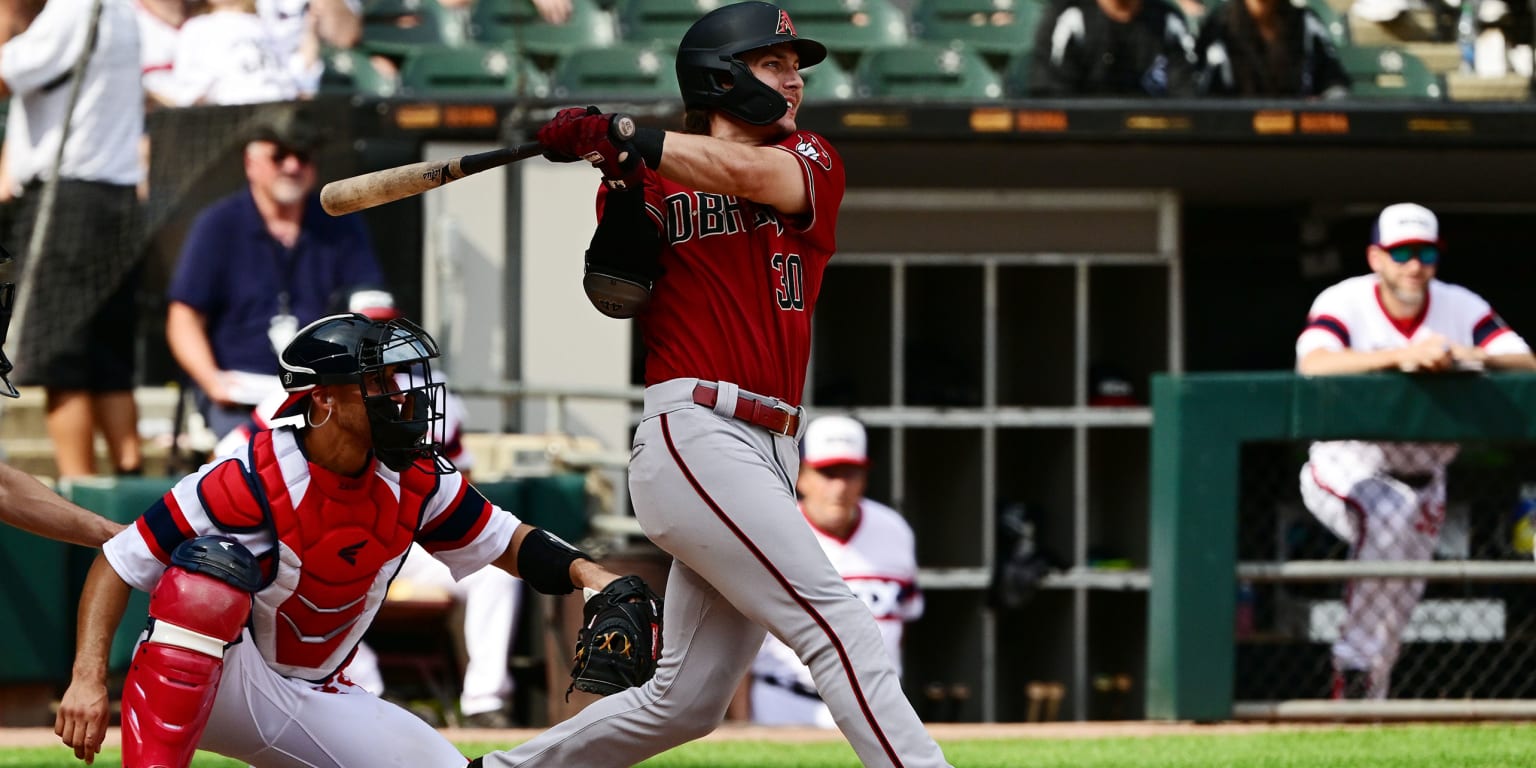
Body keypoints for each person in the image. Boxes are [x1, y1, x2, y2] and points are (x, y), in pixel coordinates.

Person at [474, 3, 951, 766]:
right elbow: (617, 295)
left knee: (686, 702)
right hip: (696, 431)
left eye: (795, 66)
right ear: (721, 77)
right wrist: (619, 175)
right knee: (840, 628)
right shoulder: (651, 177)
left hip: (771, 447)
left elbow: (746, 174)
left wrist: (626, 136)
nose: (794, 80)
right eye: (774, 64)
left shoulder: (810, 156)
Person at [55, 312, 656, 767]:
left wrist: (595, 578)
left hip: (321, 687)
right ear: (322, 397)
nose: (400, 393)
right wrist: (87, 679)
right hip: (224, 682)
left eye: (395, 377)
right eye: (376, 381)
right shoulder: (245, 476)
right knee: (202, 581)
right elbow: (118, 561)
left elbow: (510, 541)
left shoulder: (415, 476)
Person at [216, 285, 527, 729]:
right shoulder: (309, 388)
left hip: (407, 536)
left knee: (495, 573)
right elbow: (229, 454)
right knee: (321, 576)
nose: (379, 343)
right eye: (368, 329)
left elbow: (463, 480)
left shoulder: (427, 390)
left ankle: (485, 701)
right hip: (313, 533)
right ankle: (366, 697)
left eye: (385, 329)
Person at [1296, 202, 1536, 699]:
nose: (1414, 265)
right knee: (1386, 512)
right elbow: (1314, 362)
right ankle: (1352, 664)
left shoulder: (1458, 304)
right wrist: (1402, 357)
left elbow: (1524, 360)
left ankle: (1366, 700)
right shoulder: (1345, 299)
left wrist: (1463, 354)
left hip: (1427, 477)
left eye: (1425, 253)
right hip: (1348, 461)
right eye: (1401, 252)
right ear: (1376, 257)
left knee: (1401, 597)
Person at [165, 106, 384, 441]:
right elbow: (184, 319)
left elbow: (371, 305)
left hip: (323, 389)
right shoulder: (217, 225)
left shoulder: (341, 223)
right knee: (253, 454)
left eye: (303, 156)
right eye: (279, 155)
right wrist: (212, 381)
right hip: (241, 394)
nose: (292, 166)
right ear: (250, 163)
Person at [0, 0, 145, 479]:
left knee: (64, 362)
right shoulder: (122, 12)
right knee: (109, 361)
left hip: (69, 201)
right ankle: (128, 478)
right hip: (117, 199)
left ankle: (78, 490)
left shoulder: (73, 10)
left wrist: (7, 17)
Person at [749, 415, 922, 728]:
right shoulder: (772, 532)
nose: (839, 486)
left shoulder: (894, 530)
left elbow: (902, 621)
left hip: (875, 707)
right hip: (786, 704)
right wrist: (740, 720)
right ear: (800, 476)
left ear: (864, 478)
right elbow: (740, 636)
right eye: (827, 473)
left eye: (850, 473)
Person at [1029, 0, 1199, 96]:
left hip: (1152, 138)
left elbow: (1186, 99)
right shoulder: (1068, 18)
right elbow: (1051, 98)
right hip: (1081, 139)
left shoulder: (1167, 21)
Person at [1195, 0, 1351, 98]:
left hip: (1296, 129)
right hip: (1234, 131)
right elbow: (1201, 90)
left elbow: (1335, 83)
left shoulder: (1306, 23)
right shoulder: (1219, 26)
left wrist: (1322, 106)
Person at [168, 0, 310, 106]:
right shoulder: (197, 28)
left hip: (280, 108)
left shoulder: (266, 26)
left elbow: (294, 77)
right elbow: (188, 93)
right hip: (233, 116)